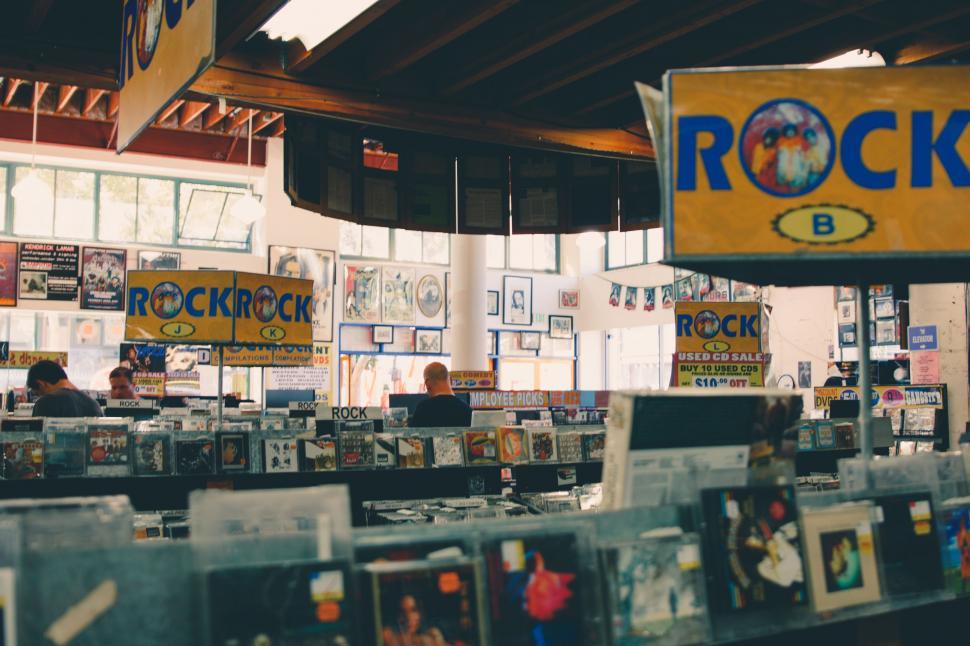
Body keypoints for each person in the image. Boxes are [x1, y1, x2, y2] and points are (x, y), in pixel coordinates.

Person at [27, 360, 103, 418]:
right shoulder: (94, 404)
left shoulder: (45, 402)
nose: (40, 396)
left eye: (38, 393)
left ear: (41, 384)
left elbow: (37, 433)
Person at [411, 363, 472, 428]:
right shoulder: (467, 410)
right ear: (451, 380)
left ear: (427, 383)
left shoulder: (422, 409)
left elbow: (411, 433)